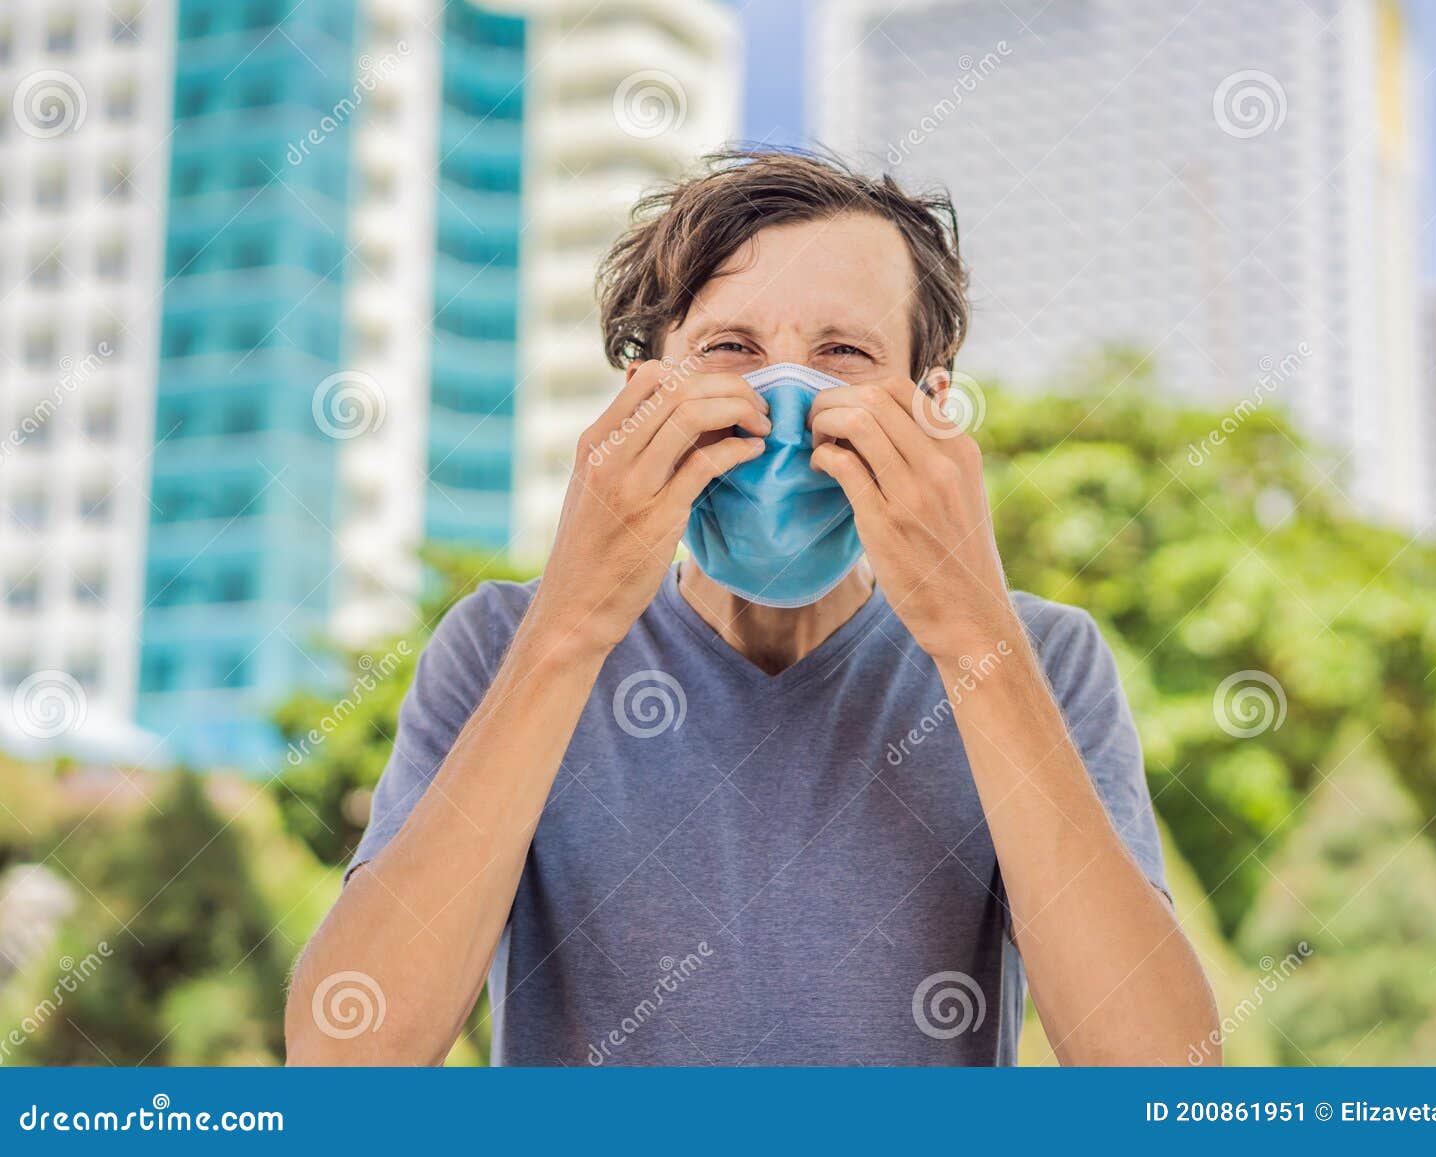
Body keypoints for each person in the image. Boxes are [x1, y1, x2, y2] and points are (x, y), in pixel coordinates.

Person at [285, 149, 1218, 1066]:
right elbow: (346, 1061)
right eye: (730, 350)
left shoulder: (1045, 657)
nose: (779, 403)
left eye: (842, 354)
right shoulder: (497, 644)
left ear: (933, 406)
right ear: (641, 394)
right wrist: (568, 631)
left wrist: (972, 634)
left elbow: (1163, 1081)